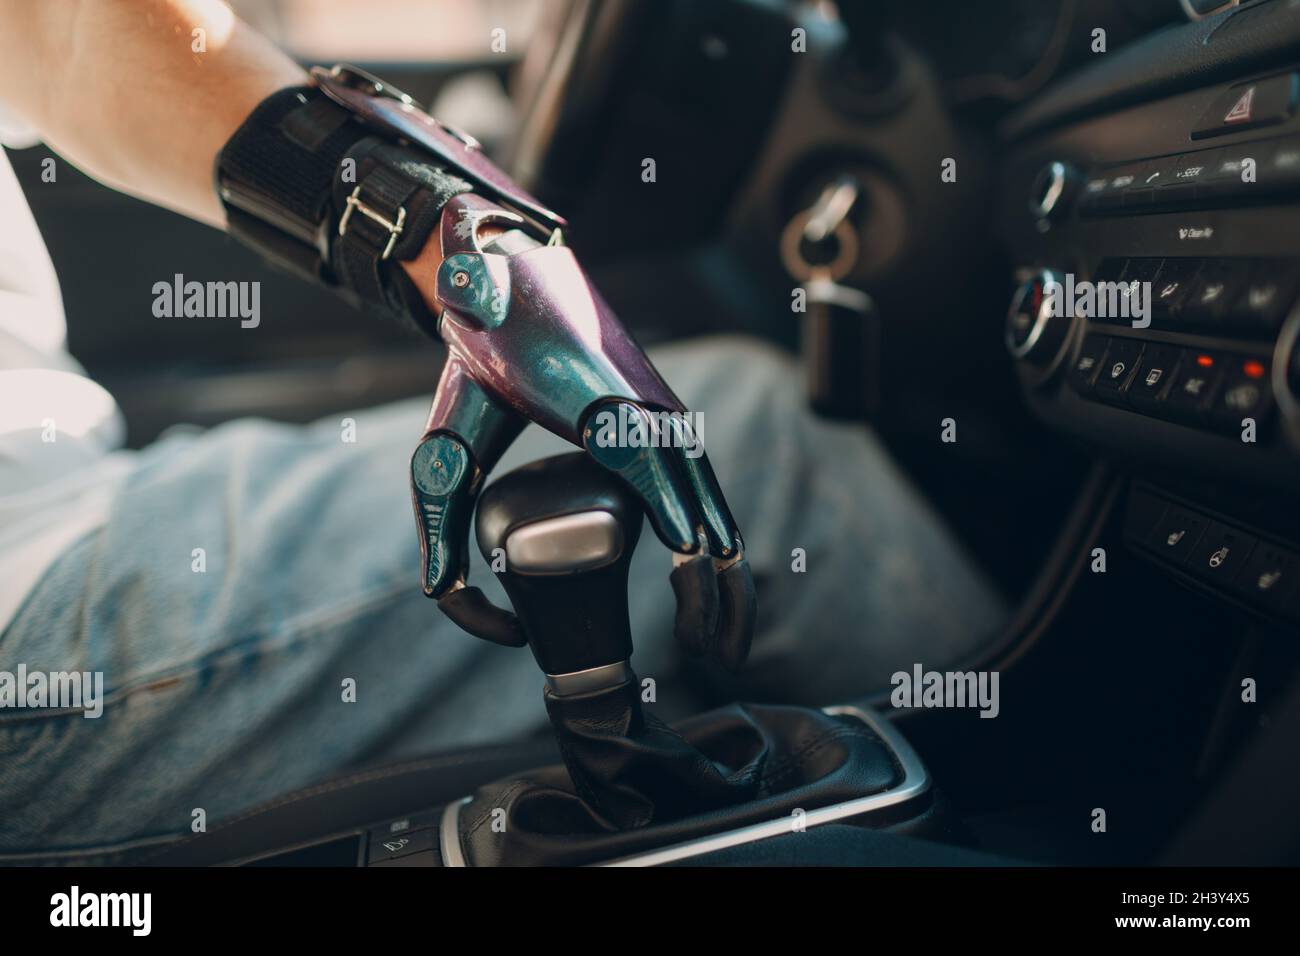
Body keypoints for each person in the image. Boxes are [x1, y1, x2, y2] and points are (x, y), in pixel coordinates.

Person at [0, 0, 1003, 860]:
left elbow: (62, 44)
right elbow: (73, 30)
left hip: (65, 497)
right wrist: (437, 228)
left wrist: (418, 221)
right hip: (29, 614)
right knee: (759, 438)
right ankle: (1053, 801)